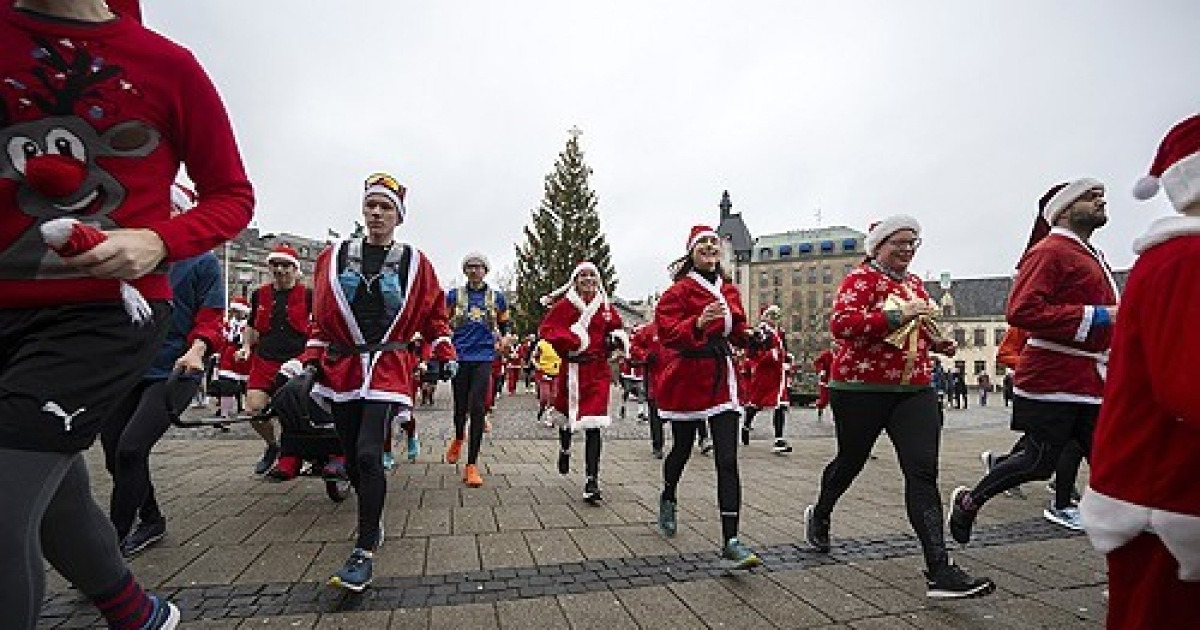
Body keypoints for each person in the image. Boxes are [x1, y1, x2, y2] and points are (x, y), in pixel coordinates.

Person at [0, 0, 255, 626]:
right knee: (52, 487)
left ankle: (147, 533)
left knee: (39, 480)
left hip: (102, 320)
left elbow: (232, 197)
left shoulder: (166, 65)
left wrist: (160, 240)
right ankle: (137, 612)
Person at [803, 216, 994, 599]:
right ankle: (821, 512)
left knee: (922, 473)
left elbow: (918, 326)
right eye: (900, 243)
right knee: (851, 461)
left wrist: (938, 343)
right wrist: (894, 315)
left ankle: (939, 569)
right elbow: (842, 325)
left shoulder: (914, 284)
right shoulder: (859, 280)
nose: (907, 250)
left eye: (913, 243)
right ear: (878, 246)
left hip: (913, 389)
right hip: (860, 388)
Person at [302, 173, 455, 592]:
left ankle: (364, 549)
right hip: (345, 367)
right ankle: (374, 511)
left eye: (385, 206)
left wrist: (444, 352)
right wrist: (310, 362)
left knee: (370, 454)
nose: (376, 213)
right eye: (371, 205)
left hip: (388, 366)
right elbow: (321, 317)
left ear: (398, 215)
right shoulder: (333, 257)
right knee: (351, 457)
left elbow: (435, 314)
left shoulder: (415, 262)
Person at [948, 179, 1119, 542]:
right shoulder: (1051, 250)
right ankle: (969, 501)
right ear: (1064, 209)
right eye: (1090, 196)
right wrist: (1101, 317)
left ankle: (1130, 542)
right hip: (1053, 377)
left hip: (1089, 378)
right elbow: (1021, 310)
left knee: (1112, 462)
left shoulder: (1090, 253)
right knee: (1039, 462)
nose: (1101, 199)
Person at [1080, 114, 1200, 628]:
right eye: (1092, 198)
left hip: (1157, 483)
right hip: (1164, 491)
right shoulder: (1185, 259)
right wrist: (1093, 317)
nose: (1102, 204)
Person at [101, 184, 224, 558]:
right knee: (113, 452)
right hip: (129, 369)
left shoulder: (202, 261)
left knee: (131, 447)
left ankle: (109, 544)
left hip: (175, 369)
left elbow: (211, 318)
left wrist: (197, 351)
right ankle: (151, 518)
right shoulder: (131, 260)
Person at [654, 225, 762, 570]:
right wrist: (697, 324)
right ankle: (669, 494)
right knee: (682, 448)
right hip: (689, 376)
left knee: (727, 460)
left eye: (714, 244)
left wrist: (752, 338)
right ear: (691, 252)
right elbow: (667, 333)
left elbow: (737, 329)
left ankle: (731, 540)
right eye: (703, 244)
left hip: (723, 377)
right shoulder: (679, 291)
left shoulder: (729, 290)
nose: (710, 248)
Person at [537, 261, 625, 503]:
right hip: (571, 369)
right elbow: (546, 330)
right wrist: (572, 339)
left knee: (594, 424)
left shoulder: (605, 306)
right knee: (566, 416)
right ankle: (565, 448)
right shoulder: (565, 305)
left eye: (592, 275)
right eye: (583, 275)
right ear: (575, 280)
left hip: (597, 370)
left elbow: (617, 328)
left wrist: (617, 342)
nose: (588, 279)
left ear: (598, 279)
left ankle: (591, 480)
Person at [237, 243, 312, 474]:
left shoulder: (308, 294)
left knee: (294, 411)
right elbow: (251, 326)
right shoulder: (260, 294)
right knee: (253, 410)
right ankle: (273, 446)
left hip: (295, 360)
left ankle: (295, 454)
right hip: (265, 359)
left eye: (285, 265)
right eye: (275, 265)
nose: (280, 270)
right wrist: (246, 347)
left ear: (294, 268)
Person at [444, 252, 510, 487]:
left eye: (478, 266)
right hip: (459, 357)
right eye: (470, 266)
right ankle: (459, 437)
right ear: (465, 270)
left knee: (478, 407)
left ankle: (471, 464)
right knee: (460, 407)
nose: (474, 270)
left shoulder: (497, 297)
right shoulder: (453, 296)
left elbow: (505, 324)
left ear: (486, 270)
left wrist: (505, 339)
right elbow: (442, 322)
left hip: (484, 357)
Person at [741, 304, 791, 454]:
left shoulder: (778, 332)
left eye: (776, 316)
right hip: (765, 373)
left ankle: (779, 439)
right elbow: (753, 350)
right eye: (771, 315)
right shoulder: (762, 331)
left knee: (780, 404)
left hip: (777, 373)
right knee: (756, 403)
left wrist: (785, 358)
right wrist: (769, 355)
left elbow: (781, 350)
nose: (774, 319)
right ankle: (746, 425)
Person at [211, 297, 252, 420]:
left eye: (237, 311)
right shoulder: (228, 324)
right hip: (229, 357)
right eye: (233, 311)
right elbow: (223, 340)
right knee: (226, 386)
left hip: (245, 358)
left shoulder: (249, 325)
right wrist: (218, 354)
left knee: (248, 386)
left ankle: (253, 411)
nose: (235, 313)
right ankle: (224, 414)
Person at [631, 321, 666, 458]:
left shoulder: (678, 326)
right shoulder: (648, 330)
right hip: (654, 377)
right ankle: (657, 445)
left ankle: (698, 438)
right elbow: (635, 346)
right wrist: (645, 355)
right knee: (655, 412)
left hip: (676, 377)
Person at [531, 336, 561, 427]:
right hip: (544, 373)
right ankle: (542, 407)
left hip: (557, 373)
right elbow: (533, 357)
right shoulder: (541, 344)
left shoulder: (560, 343)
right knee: (544, 396)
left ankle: (549, 418)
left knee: (554, 396)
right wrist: (537, 365)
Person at [813, 346, 834, 421]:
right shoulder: (826, 354)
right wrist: (821, 370)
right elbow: (817, 362)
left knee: (835, 399)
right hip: (825, 379)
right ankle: (820, 409)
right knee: (824, 398)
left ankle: (836, 415)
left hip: (836, 379)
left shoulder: (842, 354)